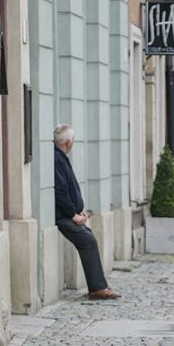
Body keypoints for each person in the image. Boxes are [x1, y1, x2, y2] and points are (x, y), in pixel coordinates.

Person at [54, 124, 119, 300]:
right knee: (88, 240)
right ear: (68, 143)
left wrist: (78, 210)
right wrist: (73, 215)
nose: (73, 143)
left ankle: (99, 287)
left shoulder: (60, 156)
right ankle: (97, 288)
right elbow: (60, 192)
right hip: (62, 216)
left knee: (88, 238)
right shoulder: (57, 158)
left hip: (69, 213)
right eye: (73, 141)